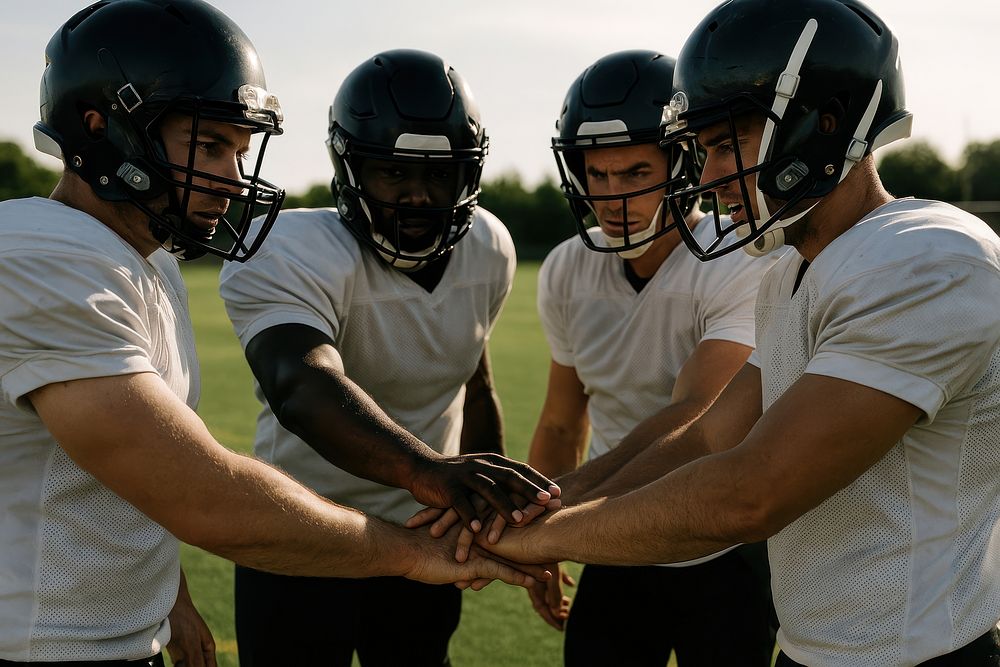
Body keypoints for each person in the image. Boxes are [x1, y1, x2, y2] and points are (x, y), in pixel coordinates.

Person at [0, 5, 549, 667]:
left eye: (239, 149)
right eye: (209, 145)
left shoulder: (145, 263)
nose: (234, 179)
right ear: (102, 129)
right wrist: (409, 551)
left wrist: (168, 597)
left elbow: (127, 473)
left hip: (101, 634)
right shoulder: (42, 257)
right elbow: (201, 492)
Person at [483, 1, 1000, 664]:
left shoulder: (929, 257)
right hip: (813, 647)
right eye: (704, 150)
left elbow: (751, 492)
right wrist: (546, 506)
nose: (707, 177)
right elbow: (706, 436)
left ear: (825, 122)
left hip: (919, 654)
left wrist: (536, 539)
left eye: (728, 143)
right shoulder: (791, 269)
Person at [218, 49, 555, 667]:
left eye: (439, 174)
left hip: (421, 534)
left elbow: (473, 383)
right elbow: (301, 385)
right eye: (393, 173)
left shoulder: (489, 245)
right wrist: (430, 471)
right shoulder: (294, 247)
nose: (418, 196)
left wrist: (484, 506)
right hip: (301, 530)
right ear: (350, 169)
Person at [525, 50, 775, 665]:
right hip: (616, 536)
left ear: (683, 165)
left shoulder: (737, 255)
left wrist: (554, 510)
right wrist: (543, 532)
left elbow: (696, 414)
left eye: (636, 172)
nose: (613, 197)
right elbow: (561, 422)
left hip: (719, 539)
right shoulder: (566, 267)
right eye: (597, 175)